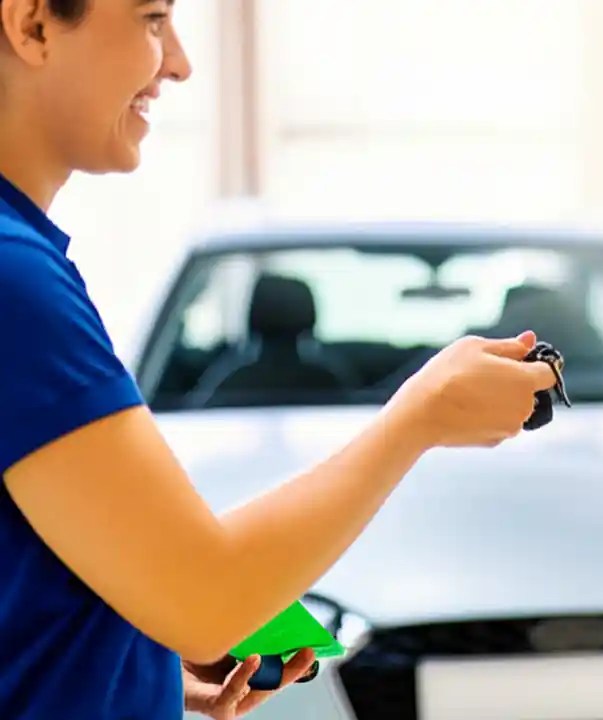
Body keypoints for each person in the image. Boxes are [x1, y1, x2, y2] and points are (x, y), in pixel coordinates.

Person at [0, 1, 557, 719]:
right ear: (33, 24)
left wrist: (133, 657)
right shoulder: (15, 281)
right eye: (151, 19)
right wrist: (418, 418)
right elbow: (206, 596)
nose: (178, 62)